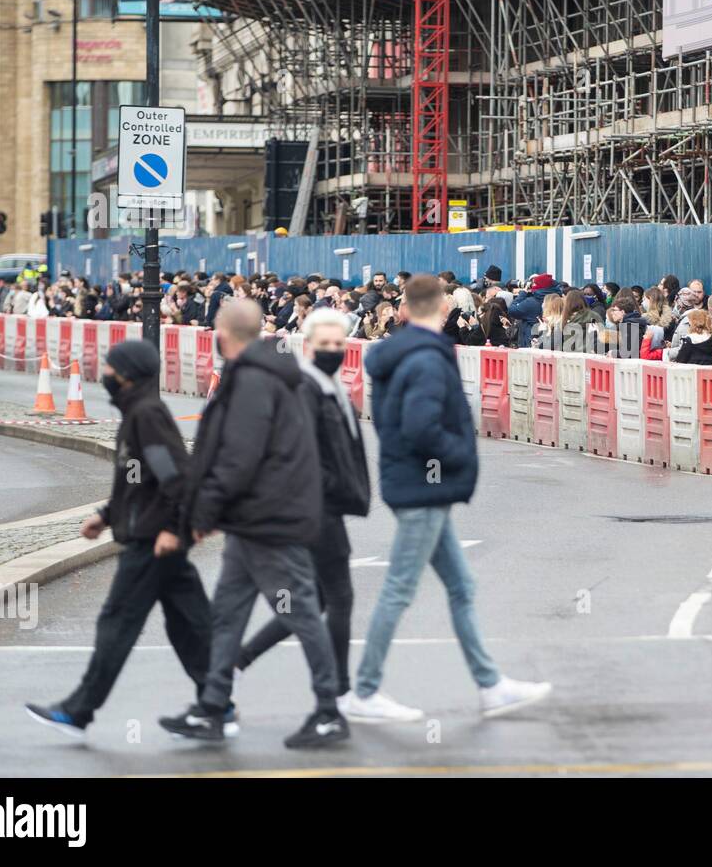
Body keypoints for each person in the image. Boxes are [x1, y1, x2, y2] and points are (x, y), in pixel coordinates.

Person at [342, 275, 551, 723]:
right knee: (399, 589)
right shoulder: (427, 359)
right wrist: (461, 456)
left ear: (402, 310)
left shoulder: (395, 355)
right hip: (423, 489)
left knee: (461, 586)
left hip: (411, 483)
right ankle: (364, 690)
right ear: (440, 308)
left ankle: (491, 684)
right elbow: (422, 427)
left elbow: (390, 422)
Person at [159, 299, 348, 749]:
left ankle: (327, 711)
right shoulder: (269, 375)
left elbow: (236, 459)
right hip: (255, 521)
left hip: (268, 521)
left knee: (300, 612)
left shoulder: (252, 382)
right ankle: (211, 706)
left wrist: (201, 516)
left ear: (224, 335)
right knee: (226, 615)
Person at [26, 340, 216, 738]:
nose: (105, 375)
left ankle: (79, 710)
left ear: (127, 375)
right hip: (153, 535)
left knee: (117, 623)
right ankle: (217, 705)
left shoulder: (147, 416)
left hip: (152, 542)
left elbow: (175, 478)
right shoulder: (137, 415)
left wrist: (173, 529)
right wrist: (105, 516)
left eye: (111, 368)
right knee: (190, 625)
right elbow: (136, 481)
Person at [236, 309, 371, 699]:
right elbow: (302, 455)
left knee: (314, 600)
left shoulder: (330, 386)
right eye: (325, 344)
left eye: (339, 344)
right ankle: (341, 693)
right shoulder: (307, 390)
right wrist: (335, 489)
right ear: (308, 346)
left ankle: (239, 662)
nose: (333, 350)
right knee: (339, 598)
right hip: (318, 509)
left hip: (323, 506)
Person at [509, 273, 563, 347]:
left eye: (534, 283)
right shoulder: (558, 299)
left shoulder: (531, 302)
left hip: (531, 344)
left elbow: (512, 310)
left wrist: (523, 293)